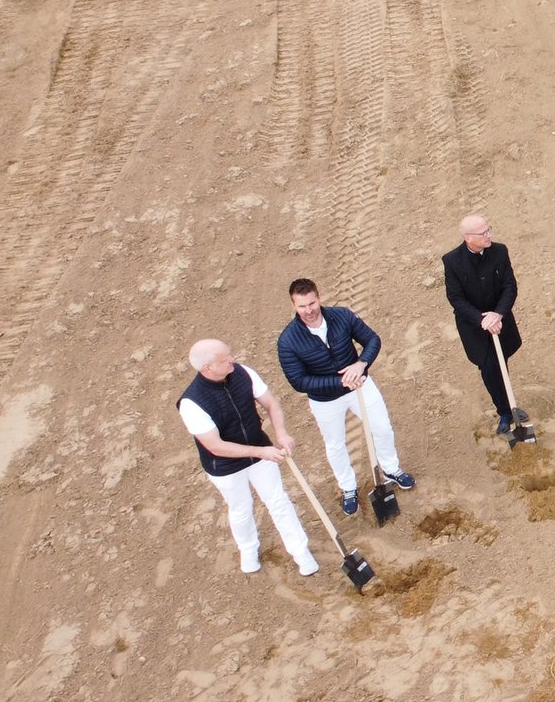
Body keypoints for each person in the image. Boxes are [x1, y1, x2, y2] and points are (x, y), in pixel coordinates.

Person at [178, 339, 318, 576]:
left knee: (278, 501)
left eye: (229, 354)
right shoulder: (191, 403)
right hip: (224, 465)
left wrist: (281, 433)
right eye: (224, 359)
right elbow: (216, 446)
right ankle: (248, 549)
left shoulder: (243, 372)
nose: (231, 360)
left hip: (259, 449)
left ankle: (301, 553)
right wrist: (261, 451)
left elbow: (271, 403)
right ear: (207, 368)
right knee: (241, 507)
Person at [276, 279, 415, 515]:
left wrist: (361, 364)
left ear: (319, 297)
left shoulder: (341, 316)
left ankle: (391, 468)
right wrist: (340, 381)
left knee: (382, 428)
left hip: (361, 384)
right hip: (325, 400)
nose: (309, 310)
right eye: (302, 306)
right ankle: (348, 487)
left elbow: (372, 340)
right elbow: (298, 381)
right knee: (335, 444)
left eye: (312, 303)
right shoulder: (288, 341)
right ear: (293, 305)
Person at [443, 214, 529, 436]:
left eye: (488, 229)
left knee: (502, 363)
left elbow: (510, 286)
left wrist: (498, 314)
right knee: (488, 367)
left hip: (500, 321)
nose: (489, 235)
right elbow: (456, 298)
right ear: (467, 238)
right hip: (474, 327)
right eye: (483, 233)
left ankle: (511, 405)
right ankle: (504, 412)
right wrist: (482, 319)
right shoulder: (452, 261)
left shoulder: (500, 251)